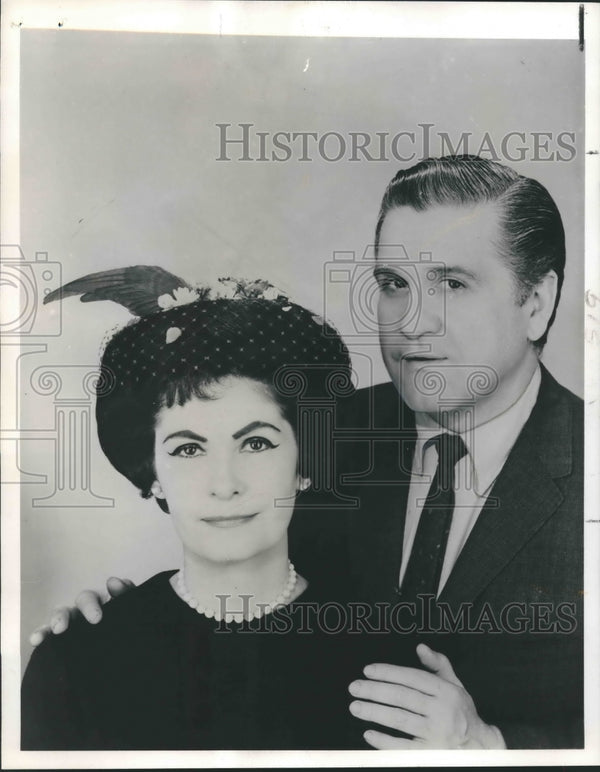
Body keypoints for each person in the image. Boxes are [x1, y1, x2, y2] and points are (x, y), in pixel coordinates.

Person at [30, 156, 584, 749]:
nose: (413, 323)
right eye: (394, 284)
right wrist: (122, 631)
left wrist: (489, 747)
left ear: (536, 302)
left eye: (453, 283)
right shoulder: (319, 427)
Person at [21, 269, 364, 750]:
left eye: (257, 443)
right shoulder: (77, 658)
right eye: (188, 449)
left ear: (305, 463)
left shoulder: (381, 656)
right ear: (153, 475)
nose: (224, 485)